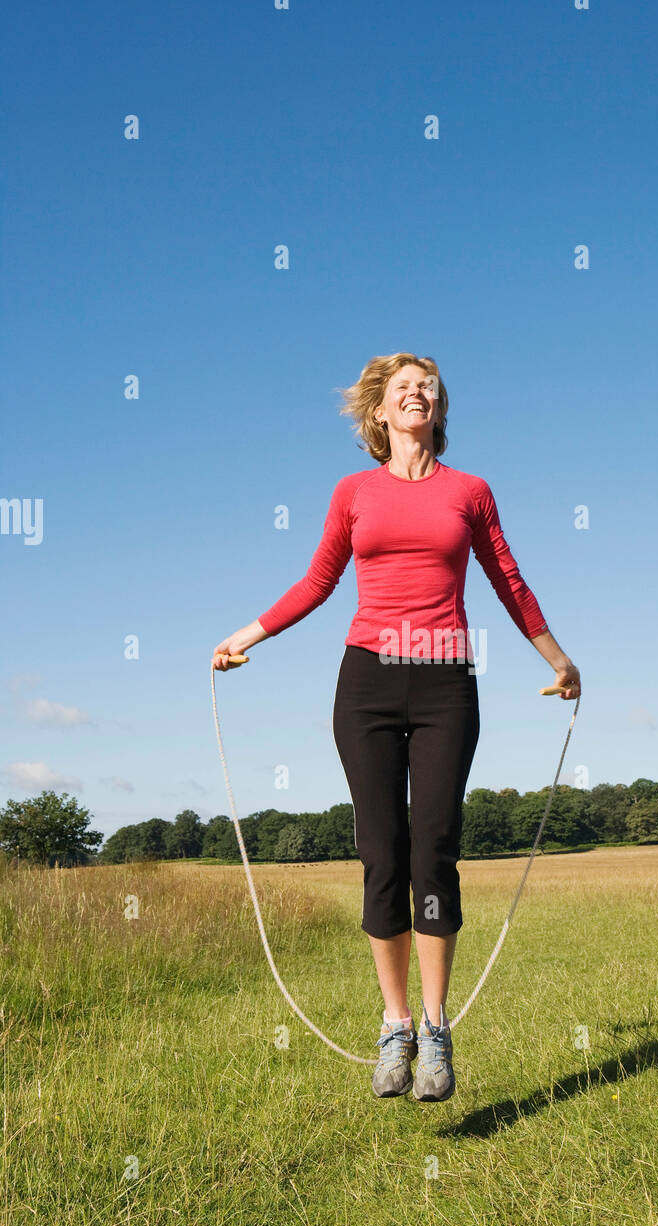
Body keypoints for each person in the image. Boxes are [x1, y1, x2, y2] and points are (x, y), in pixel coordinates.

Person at [212, 353, 580, 1102]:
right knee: (381, 852)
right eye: (402, 387)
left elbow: (508, 578)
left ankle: (438, 1030)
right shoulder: (354, 493)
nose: (418, 394)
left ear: (437, 409)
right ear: (379, 411)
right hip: (368, 684)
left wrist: (559, 657)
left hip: (446, 682)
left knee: (433, 849)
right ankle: (395, 1025)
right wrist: (245, 635)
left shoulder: (469, 492)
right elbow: (319, 581)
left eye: (429, 387)